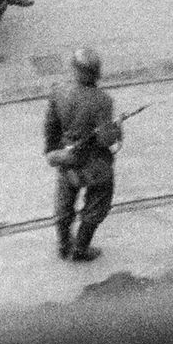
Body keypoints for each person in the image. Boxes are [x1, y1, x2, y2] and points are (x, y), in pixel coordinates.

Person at [43, 48, 120, 262]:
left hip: (66, 158)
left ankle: (63, 245)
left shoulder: (58, 91)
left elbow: (50, 126)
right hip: (93, 163)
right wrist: (116, 129)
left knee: (64, 203)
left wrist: (52, 151)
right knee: (98, 203)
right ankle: (80, 249)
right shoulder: (102, 100)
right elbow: (106, 140)